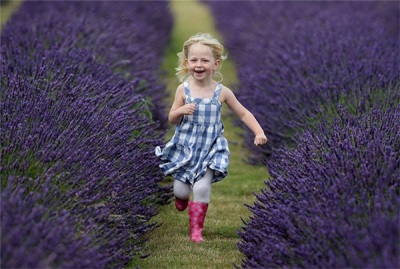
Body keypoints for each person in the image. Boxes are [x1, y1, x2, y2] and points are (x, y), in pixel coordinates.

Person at [155, 33, 267, 243]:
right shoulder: (183, 89)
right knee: (180, 189)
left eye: (204, 61)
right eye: (194, 60)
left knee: (202, 187)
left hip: (210, 147)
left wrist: (258, 132)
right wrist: (181, 111)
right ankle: (181, 198)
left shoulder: (221, 92)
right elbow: (171, 117)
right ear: (187, 63)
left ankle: (196, 231)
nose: (199, 65)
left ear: (215, 65)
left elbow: (243, 113)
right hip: (186, 146)